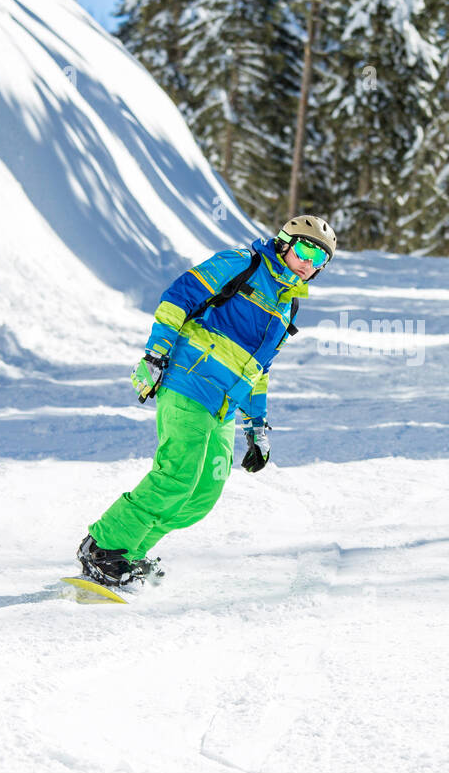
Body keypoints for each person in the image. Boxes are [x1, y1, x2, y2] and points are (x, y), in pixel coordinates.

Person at [75, 215, 337, 587]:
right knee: (177, 476)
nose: (309, 263)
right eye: (306, 249)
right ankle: (103, 547)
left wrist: (257, 428)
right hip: (189, 383)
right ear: (284, 242)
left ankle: (129, 552)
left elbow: (259, 370)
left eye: (320, 260)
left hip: (224, 407)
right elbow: (178, 297)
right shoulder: (241, 264)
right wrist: (155, 354)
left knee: (201, 495)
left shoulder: (287, 306)